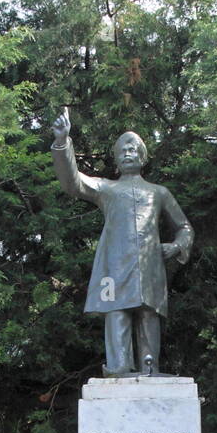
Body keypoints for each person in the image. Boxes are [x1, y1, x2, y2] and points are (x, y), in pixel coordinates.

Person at [50, 109, 193, 377]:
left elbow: (184, 226)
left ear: (143, 156)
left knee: (149, 311)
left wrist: (176, 246)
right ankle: (118, 367)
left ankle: (150, 367)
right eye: (122, 150)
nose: (128, 153)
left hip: (150, 263)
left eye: (133, 148)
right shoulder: (107, 189)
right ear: (116, 159)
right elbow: (73, 183)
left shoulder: (159, 193)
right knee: (116, 310)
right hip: (114, 263)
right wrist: (62, 143)